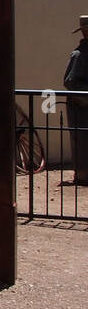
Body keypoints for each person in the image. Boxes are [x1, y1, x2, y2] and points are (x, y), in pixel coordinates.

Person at [63, 15, 88, 184]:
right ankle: (83, 175)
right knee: (83, 142)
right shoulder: (79, 55)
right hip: (82, 108)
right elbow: (70, 82)